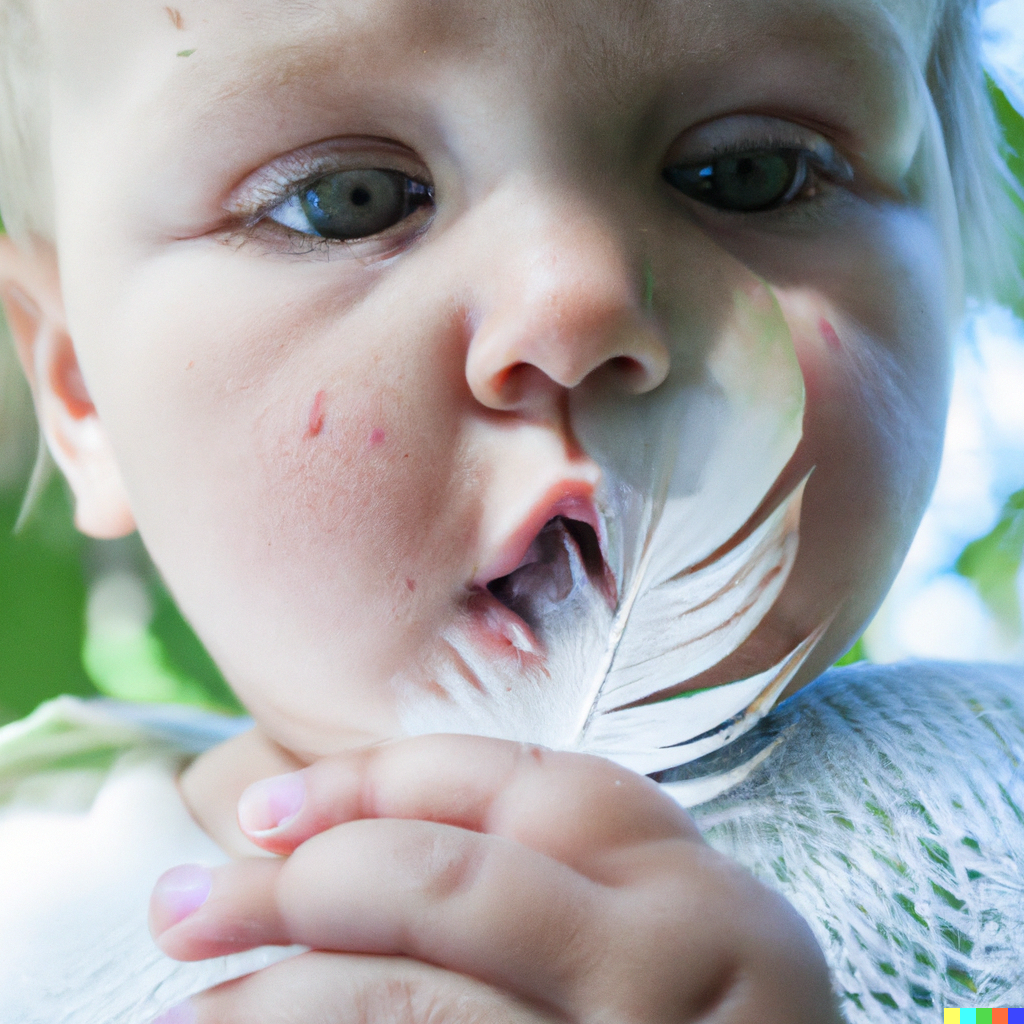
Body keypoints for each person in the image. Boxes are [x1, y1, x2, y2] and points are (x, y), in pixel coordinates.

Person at [0, 0, 1021, 1020]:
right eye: (346, 199)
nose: (574, 302)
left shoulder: (992, 845)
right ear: (83, 393)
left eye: (748, 172)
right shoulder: (31, 920)